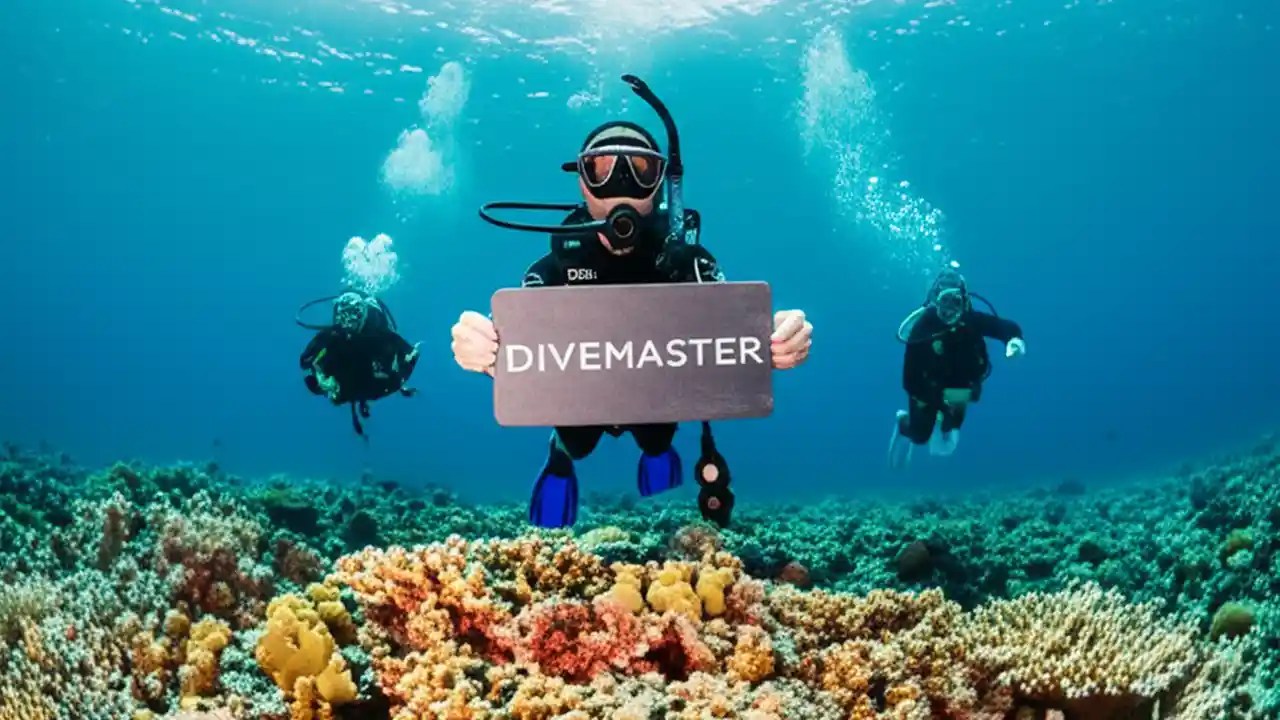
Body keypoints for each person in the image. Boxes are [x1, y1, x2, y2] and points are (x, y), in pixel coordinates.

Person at [455, 74, 814, 529]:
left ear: (663, 182)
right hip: (582, 398)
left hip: (655, 396)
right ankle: (560, 458)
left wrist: (779, 340)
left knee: (657, 438)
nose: (620, 182)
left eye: (640, 169)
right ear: (582, 184)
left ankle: (651, 459)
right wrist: (483, 346)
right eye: (601, 168)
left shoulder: (688, 261)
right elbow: (514, 336)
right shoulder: (556, 265)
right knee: (576, 440)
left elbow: (739, 328)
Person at [888, 268, 1025, 468]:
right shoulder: (922, 328)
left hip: (959, 390)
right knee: (920, 436)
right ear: (936, 301)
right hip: (927, 391)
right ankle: (902, 424)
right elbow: (909, 380)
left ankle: (944, 417)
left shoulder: (971, 321)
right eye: (945, 301)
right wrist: (936, 398)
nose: (950, 309)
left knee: (950, 434)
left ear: (964, 301)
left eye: (956, 301)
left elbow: (1003, 326)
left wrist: (1014, 341)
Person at [296, 290, 421, 436]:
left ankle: (362, 402)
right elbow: (306, 361)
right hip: (352, 383)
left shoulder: (379, 333)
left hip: (373, 379)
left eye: (353, 314)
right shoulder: (333, 335)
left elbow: (410, 355)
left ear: (363, 314)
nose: (348, 321)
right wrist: (319, 382)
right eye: (343, 315)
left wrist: (396, 380)